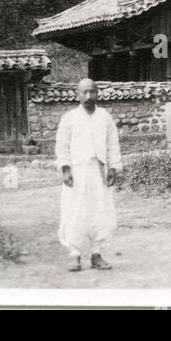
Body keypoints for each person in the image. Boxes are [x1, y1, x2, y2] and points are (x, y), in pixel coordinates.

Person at [55, 78, 123, 272]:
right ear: (78, 94)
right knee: (75, 210)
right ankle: (75, 254)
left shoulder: (104, 117)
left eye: (92, 92)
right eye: (84, 92)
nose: (88, 96)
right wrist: (65, 168)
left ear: (97, 93)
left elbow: (112, 144)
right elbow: (62, 145)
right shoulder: (70, 117)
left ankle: (96, 253)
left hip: (98, 171)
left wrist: (113, 168)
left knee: (99, 211)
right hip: (77, 171)